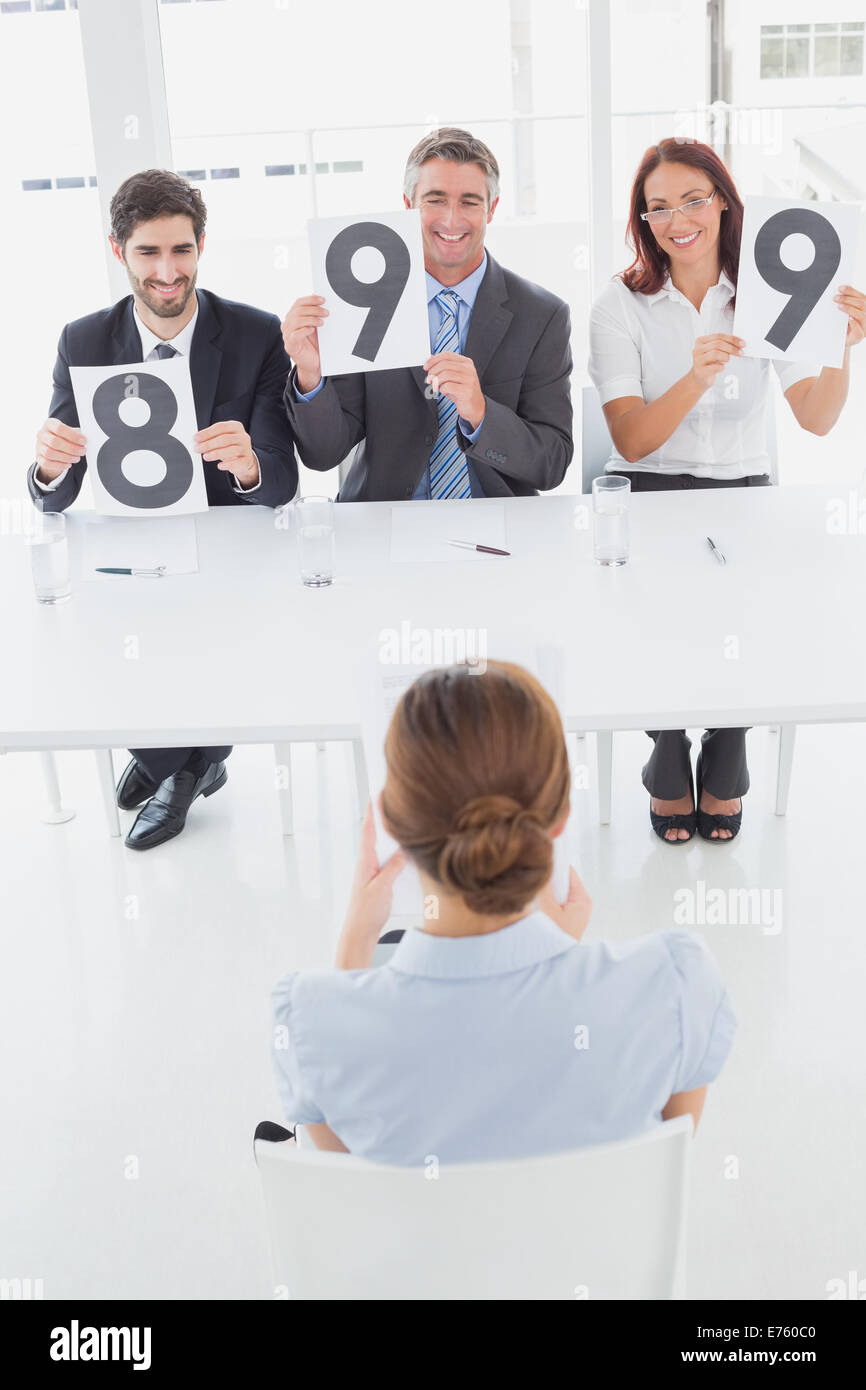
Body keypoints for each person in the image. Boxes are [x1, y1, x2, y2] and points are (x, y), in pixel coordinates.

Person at [271, 661, 736, 1166]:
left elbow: (352, 1175)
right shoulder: (675, 986)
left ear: (388, 823)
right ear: (560, 817)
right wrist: (560, 955)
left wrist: (356, 939)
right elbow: (656, 1167)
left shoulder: (312, 1026)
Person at [588, 138, 866, 844]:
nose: (677, 219)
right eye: (658, 208)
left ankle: (730, 742)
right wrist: (696, 376)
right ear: (643, 221)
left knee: (749, 619)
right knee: (655, 620)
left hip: (744, 489)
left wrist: (841, 346)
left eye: (693, 199)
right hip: (652, 490)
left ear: (723, 203)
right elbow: (631, 442)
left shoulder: (768, 291)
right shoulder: (619, 306)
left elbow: (817, 416)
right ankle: (667, 744)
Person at [27, 169, 298, 851]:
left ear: (203, 245)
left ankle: (177, 764)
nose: (168, 271)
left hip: (228, 552)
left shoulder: (256, 333)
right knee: (105, 631)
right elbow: (53, 489)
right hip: (131, 548)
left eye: (181, 250)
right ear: (118, 252)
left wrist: (250, 465)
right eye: (149, 252)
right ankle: (187, 760)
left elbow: (283, 481)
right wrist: (47, 467)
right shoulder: (83, 340)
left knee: (210, 617)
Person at [282, 128, 573, 501]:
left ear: (492, 209)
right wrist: (310, 374)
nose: (451, 220)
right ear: (408, 204)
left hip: (497, 524)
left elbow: (553, 464)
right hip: (384, 522)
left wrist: (481, 412)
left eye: (469, 202)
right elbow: (322, 455)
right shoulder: (361, 304)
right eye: (435, 200)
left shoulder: (542, 315)